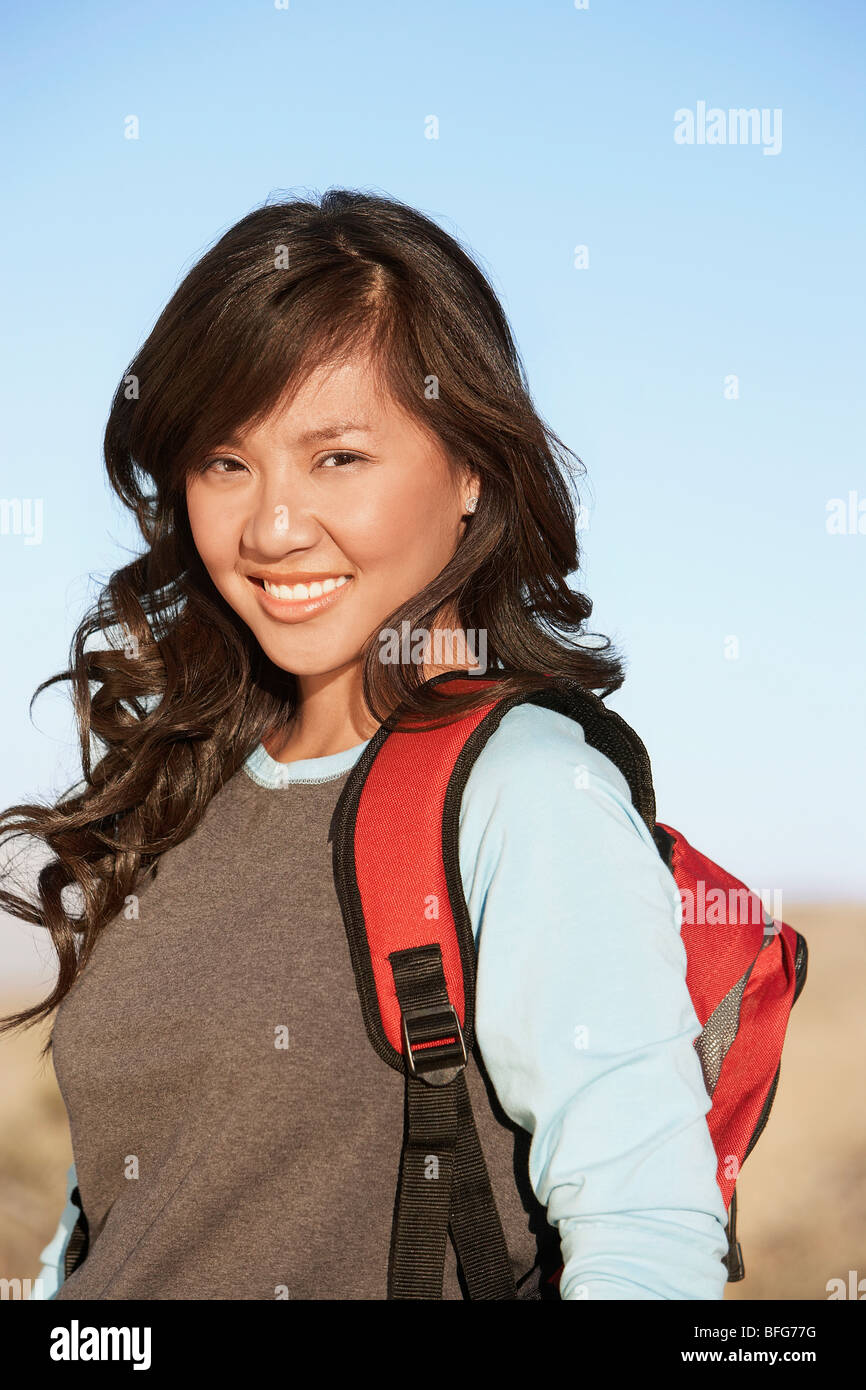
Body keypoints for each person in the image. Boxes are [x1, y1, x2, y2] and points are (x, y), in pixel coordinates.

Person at [4, 188, 729, 1300]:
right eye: (224, 462)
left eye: (336, 457)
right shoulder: (173, 792)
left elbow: (647, 1239)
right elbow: (120, 1221)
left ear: (473, 465)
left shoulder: (524, 787)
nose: (271, 527)